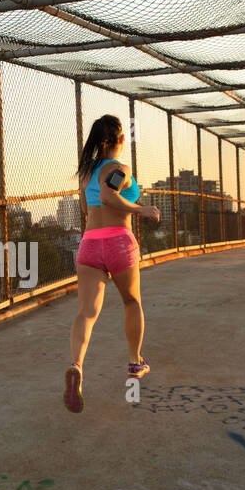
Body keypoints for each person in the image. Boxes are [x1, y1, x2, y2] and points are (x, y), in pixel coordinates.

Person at [64, 114, 160, 413]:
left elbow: (86, 205)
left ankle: (76, 366)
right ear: (121, 139)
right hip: (119, 241)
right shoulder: (119, 169)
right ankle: (135, 362)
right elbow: (108, 195)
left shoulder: (85, 172)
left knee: (87, 313)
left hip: (90, 244)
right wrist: (143, 210)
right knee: (132, 302)